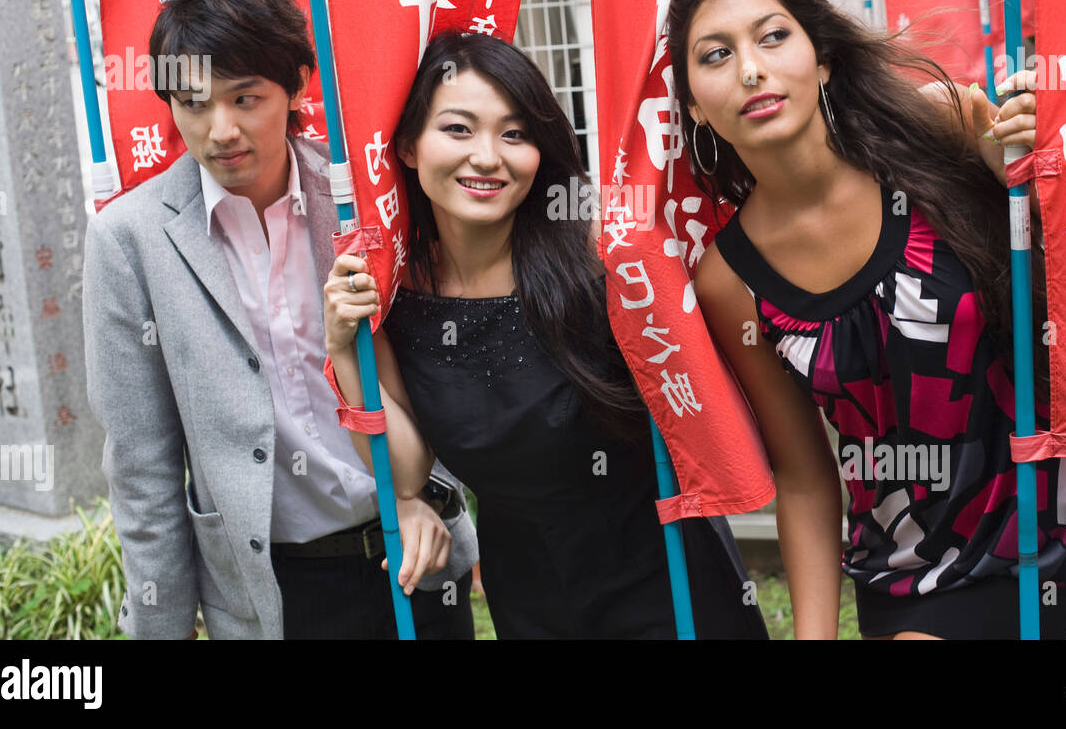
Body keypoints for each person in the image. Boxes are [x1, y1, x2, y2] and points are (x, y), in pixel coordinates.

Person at [665, 0, 1066, 640]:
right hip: (898, 561)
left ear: (819, 58)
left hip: (1037, 517)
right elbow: (807, 478)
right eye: (715, 55)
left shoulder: (935, 124)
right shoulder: (728, 281)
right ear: (694, 105)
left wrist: (1032, 178)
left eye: (773, 36)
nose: (751, 70)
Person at [323, 31, 768, 639]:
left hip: (664, 577)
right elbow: (404, 474)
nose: (487, 157)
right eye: (457, 129)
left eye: (514, 134)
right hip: (527, 592)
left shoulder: (602, 263)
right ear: (407, 145)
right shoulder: (394, 292)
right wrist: (346, 347)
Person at [82, 0, 477, 639]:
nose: (220, 130)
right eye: (193, 104)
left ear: (296, 85)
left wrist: (425, 495)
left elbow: (436, 368)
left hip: (413, 552)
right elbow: (143, 468)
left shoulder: (365, 199)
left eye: (244, 97)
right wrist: (161, 627)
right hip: (272, 594)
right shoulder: (130, 240)